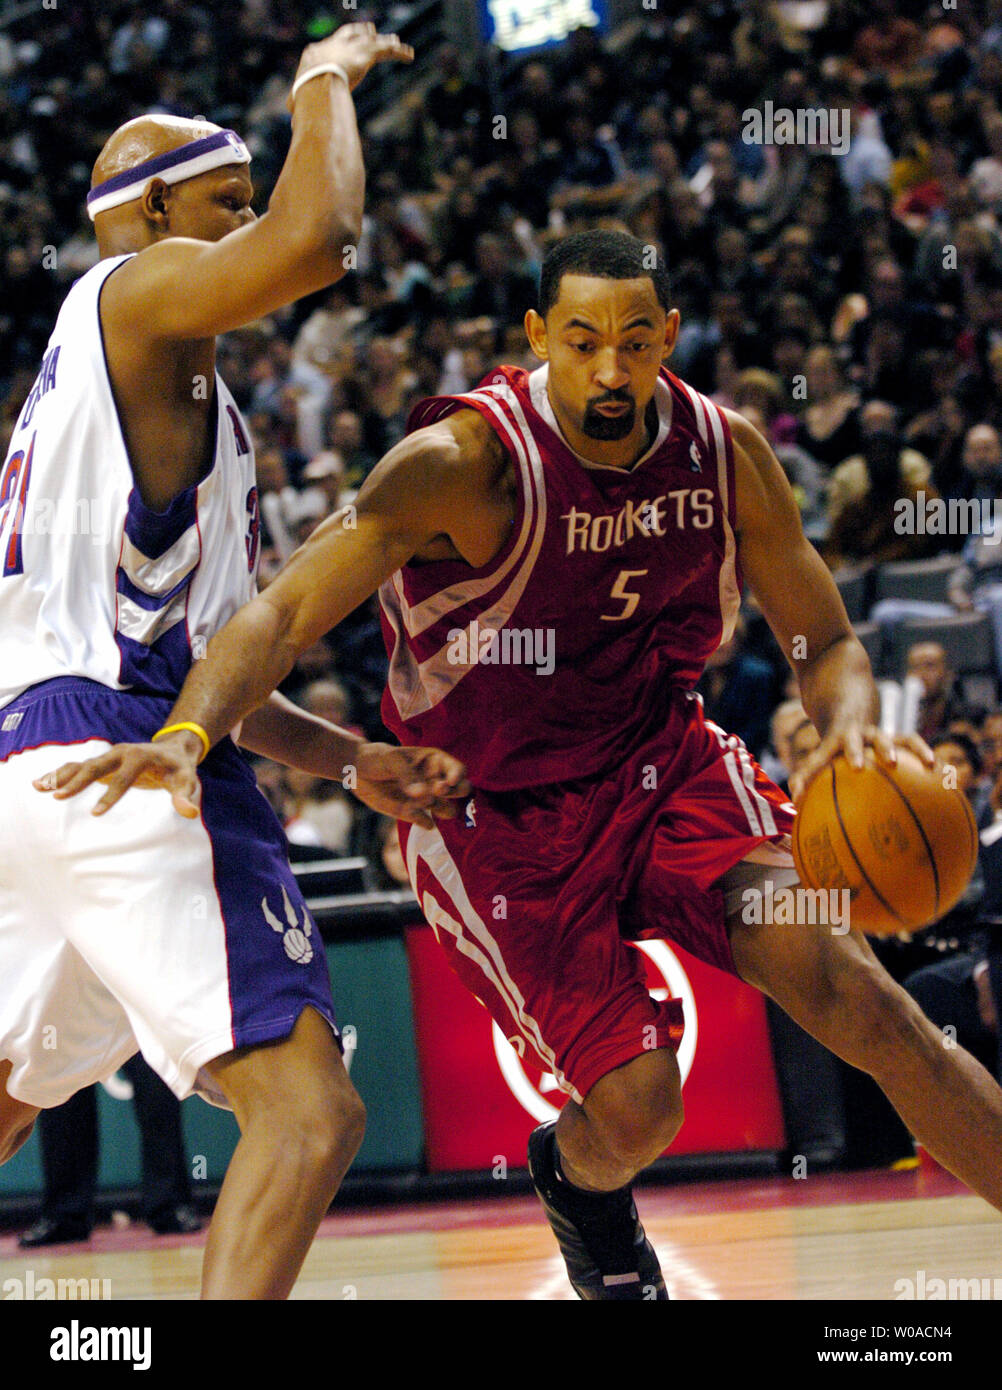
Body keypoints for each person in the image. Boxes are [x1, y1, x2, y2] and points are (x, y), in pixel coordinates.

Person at [42, 229, 1002, 1303]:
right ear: (540, 335)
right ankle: (575, 1181)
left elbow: (824, 640)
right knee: (641, 1108)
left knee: (867, 1000)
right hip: (496, 815)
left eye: (636, 342)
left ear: (670, 339)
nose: (610, 369)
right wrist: (188, 732)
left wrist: (854, 721)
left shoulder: (724, 449)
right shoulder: (458, 465)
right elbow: (280, 613)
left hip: (664, 760)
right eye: (583, 340)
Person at [0, 23, 471, 1302]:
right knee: (311, 1115)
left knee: (8, 1099)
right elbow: (322, 237)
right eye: (225, 202)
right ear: (148, 211)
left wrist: (347, 756)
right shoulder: (129, 295)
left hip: (43, 776)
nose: (247, 219)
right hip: (127, 766)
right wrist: (323, 77)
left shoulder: (151, 401)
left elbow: (211, 660)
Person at [19, 1054, 201, 1246]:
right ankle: (65, 1215)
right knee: (61, 1085)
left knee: (156, 1078)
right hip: (70, 1025)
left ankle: (171, 1206)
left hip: (138, 1024)